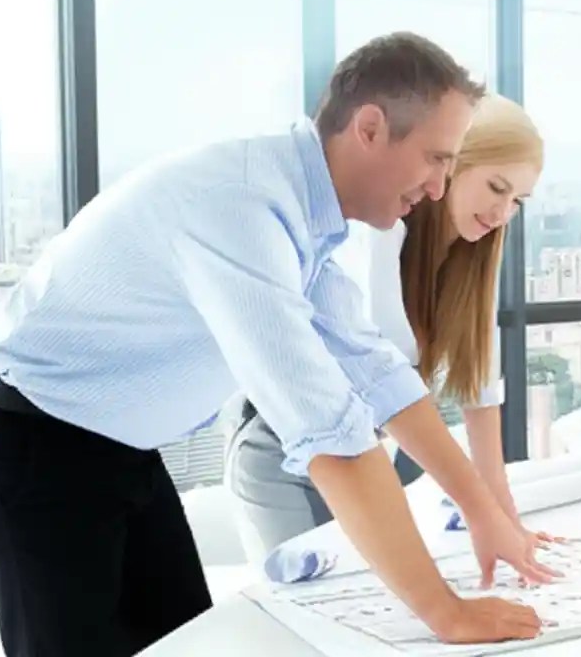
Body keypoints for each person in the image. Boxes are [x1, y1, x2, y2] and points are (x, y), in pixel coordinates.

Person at [0, 32, 548, 657]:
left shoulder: (306, 216)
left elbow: (377, 372)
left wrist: (483, 511)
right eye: (438, 159)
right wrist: (445, 612)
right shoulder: (242, 209)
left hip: (120, 452)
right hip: (26, 447)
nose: (440, 188)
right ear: (370, 128)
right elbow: (331, 436)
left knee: (186, 643)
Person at [227, 93, 552, 565]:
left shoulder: (470, 269)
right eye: (496, 187)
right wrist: (481, 513)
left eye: (517, 200)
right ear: (450, 167)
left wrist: (509, 526)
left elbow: (481, 402)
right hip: (282, 463)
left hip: (365, 464)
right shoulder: (378, 234)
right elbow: (381, 382)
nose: (503, 213)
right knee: (308, 615)